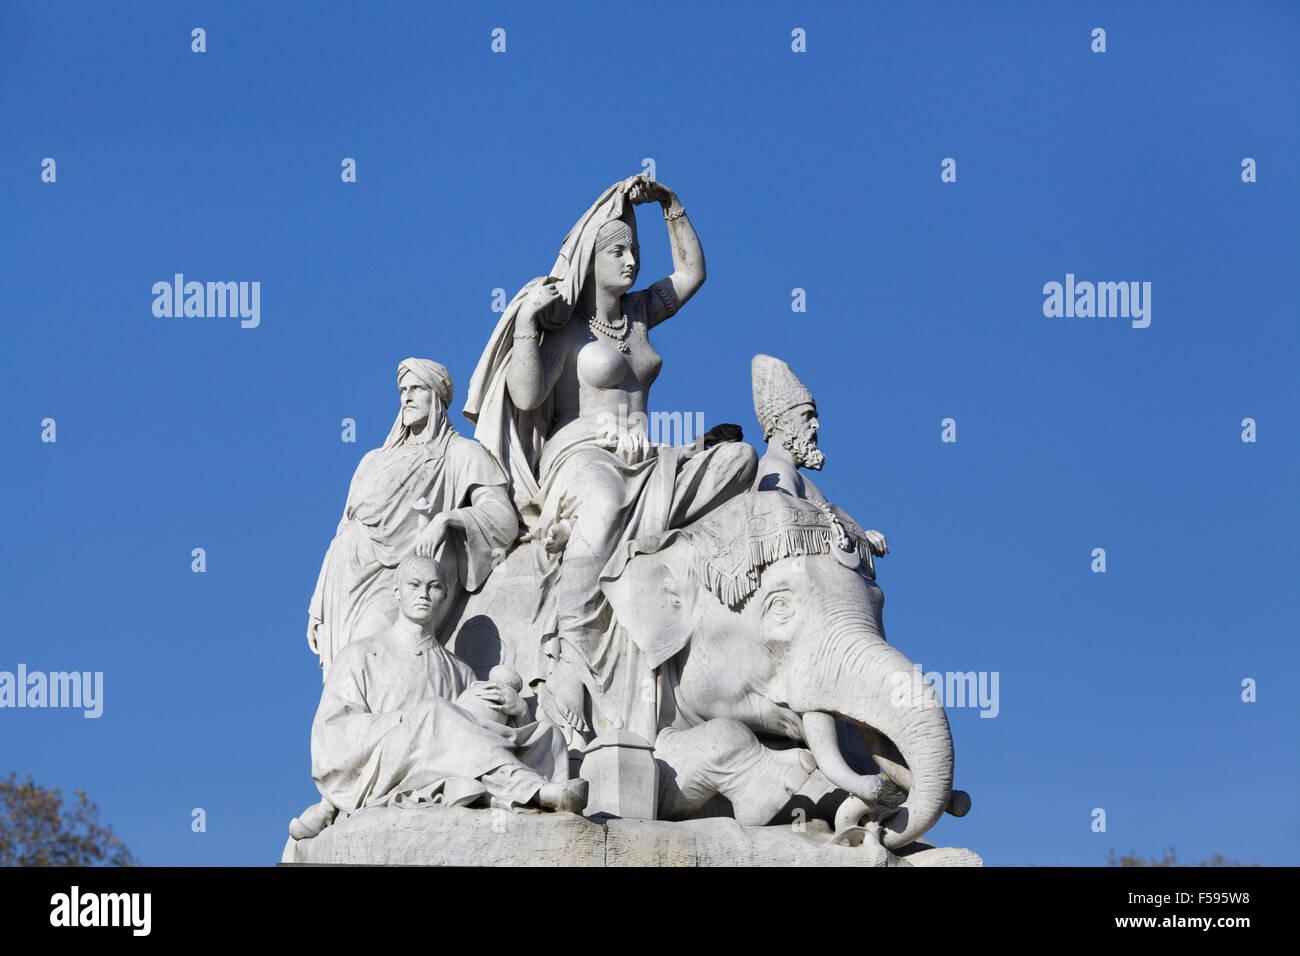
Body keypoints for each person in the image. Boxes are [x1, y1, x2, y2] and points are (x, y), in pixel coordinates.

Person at [464, 175, 755, 739]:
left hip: (647, 455)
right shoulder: (566, 328)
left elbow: (693, 274)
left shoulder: (640, 314)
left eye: (634, 251)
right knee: (601, 507)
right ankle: (570, 656)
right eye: (616, 251)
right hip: (582, 457)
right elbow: (526, 397)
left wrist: (672, 205)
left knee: (739, 459)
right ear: (590, 260)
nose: (630, 261)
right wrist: (527, 326)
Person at [290, 554, 585, 841]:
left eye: (433, 587)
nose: (424, 594)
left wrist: (518, 712)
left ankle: (514, 792)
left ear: (444, 595)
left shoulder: (461, 671)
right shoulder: (361, 655)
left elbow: (480, 738)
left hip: (444, 766)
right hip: (381, 768)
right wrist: (410, 721)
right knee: (436, 713)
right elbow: (333, 733)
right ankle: (534, 791)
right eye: (414, 585)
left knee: (550, 735)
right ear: (397, 592)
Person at [307, 358, 518, 677]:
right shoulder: (372, 461)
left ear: (437, 396)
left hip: (402, 576)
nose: (406, 397)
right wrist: (318, 603)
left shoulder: (461, 453)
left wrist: (447, 519)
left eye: (416, 388)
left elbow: (501, 517)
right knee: (345, 677)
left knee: (373, 655)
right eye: (402, 390)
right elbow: (343, 530)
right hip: (345, 577)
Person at [751, 353, 888, 572]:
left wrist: (861, 539)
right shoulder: (775, 469)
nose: (816, 425)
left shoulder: (791, 473)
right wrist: (860, 538)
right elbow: (787, 524)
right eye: (807, 416)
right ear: (780, 423)